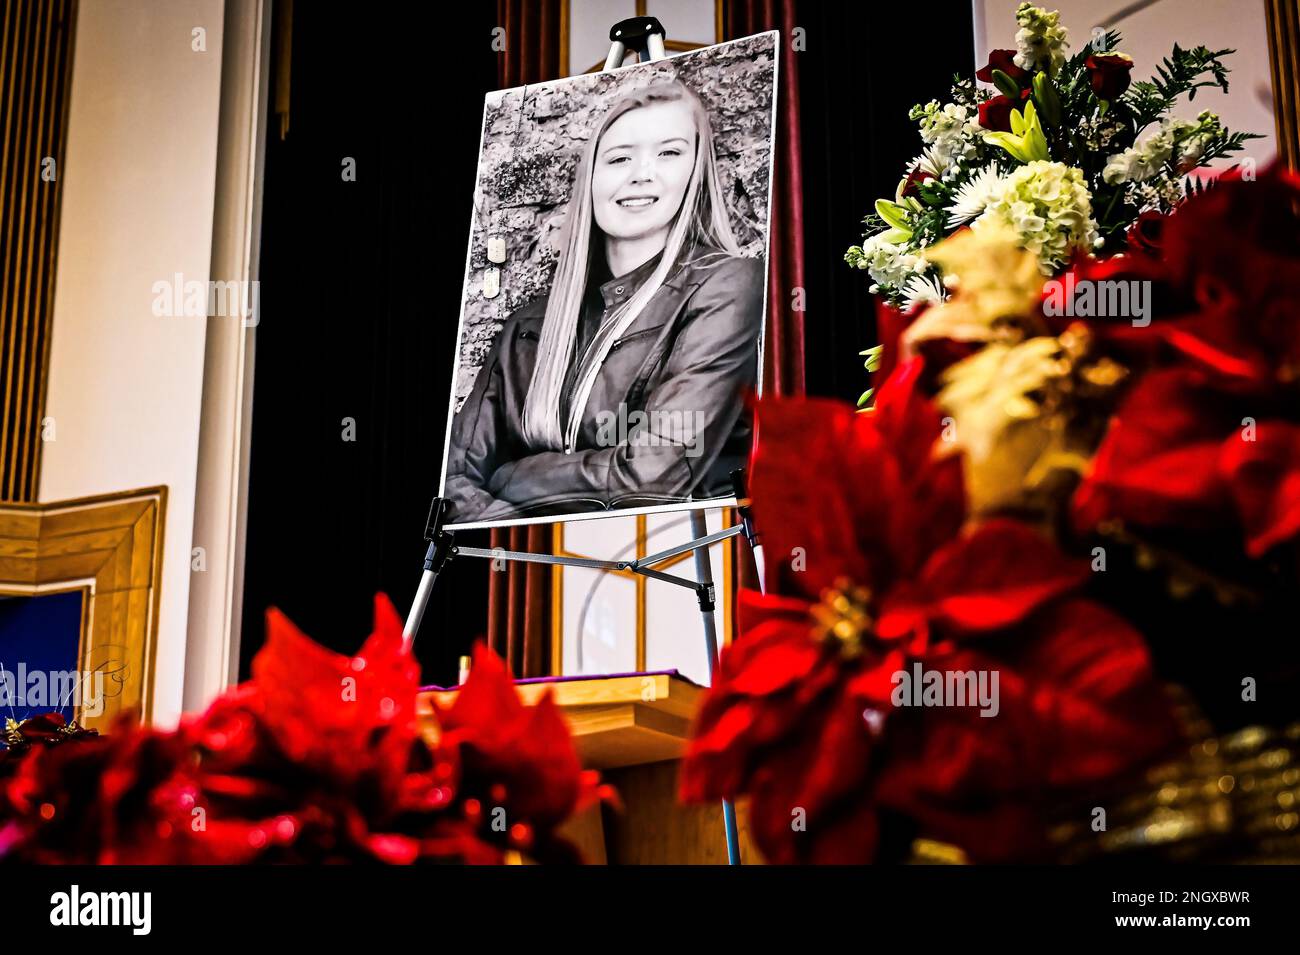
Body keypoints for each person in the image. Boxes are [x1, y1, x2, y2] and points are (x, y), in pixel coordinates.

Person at [444, 79, 765, 523]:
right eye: (618, 158)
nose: (641, 173)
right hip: (544, 568)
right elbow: (454, 484)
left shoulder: (728, 284)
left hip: (673, 553)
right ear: (591, 179)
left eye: (669, 153)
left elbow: (650, 477)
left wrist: (511, 477)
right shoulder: (527, 327)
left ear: (696, 173)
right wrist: (528, 531)